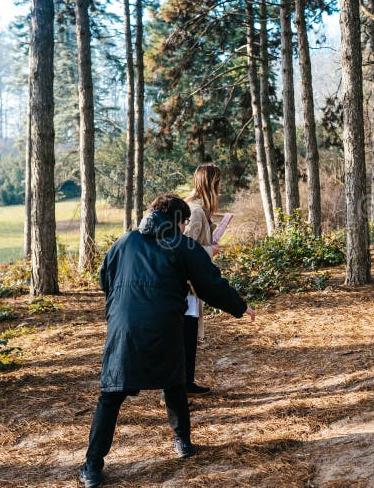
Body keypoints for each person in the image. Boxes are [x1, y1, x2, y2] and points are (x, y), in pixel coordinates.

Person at [77, 194, 254, 488]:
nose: (186, 228)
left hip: (123, 326)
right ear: (178, 222)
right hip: (164, 322)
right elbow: (210, 283)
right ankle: (182, 442)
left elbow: (104, 279)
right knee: (174, 381)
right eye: (185, 223)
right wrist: (239, 306)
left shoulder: (124, 242)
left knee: (111, 395)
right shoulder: (182, 245)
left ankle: (92, 466)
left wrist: (120, 307)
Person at [182, 163, 223, 395]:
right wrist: (210, 250)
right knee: (185, 334)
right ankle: (178, 387)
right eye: (218, 183)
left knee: (189, 334)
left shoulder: (200, 211)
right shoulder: (195, 211)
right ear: (211, 184)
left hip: (193, 284)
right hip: (186, 286)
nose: (221, 188)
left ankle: (186, 382)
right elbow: (185, 248)